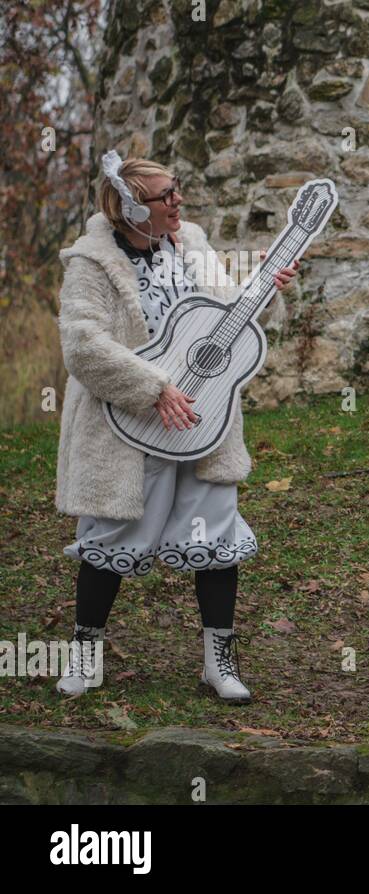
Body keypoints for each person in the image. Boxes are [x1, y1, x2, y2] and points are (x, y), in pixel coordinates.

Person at [53, 152, 298, 703]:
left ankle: (220, 663)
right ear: (132, 207)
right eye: (167, 194)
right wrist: (153, 388)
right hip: (125, 423)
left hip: (202, 417)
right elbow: (83, 344)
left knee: (216, 536)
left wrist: (267, 288)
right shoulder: (90, 264)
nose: (178, 201)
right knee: (108, 539)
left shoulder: (191, 243)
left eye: (177, 189)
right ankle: (85, 656)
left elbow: (229, 313)